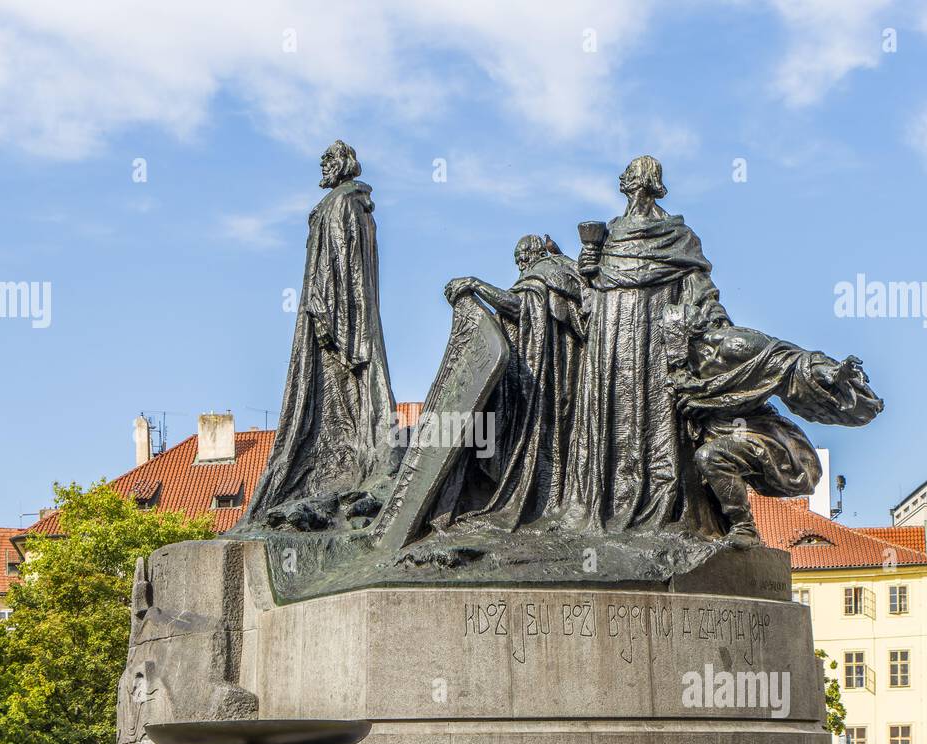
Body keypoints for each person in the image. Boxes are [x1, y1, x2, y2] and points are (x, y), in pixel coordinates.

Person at [567, 156, 727, 532]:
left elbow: (699, 287)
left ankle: (663, 503)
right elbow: (591, 293)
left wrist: (713, 322)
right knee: (611, 418)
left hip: (653, 341)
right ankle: (604, 505)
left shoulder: (678, 237)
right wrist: (589, 270)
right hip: (610, 341)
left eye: (635, 177)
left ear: (646, 184)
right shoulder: (611, 235)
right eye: (629, 177)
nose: (631, 183)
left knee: (658, 417)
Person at [246, 140, 396, 525]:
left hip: (332, 319)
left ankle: (336, 477)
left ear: (344, 163)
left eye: (329, 160)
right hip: (338, 316)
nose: (323, 166)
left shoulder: (342, 203)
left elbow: (342, 266)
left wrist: (327, 313)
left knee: (330, 400)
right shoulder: (349, 204)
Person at [668, 306, 883, 542]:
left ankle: (745, 528)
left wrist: (832, 373)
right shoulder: (681, 362)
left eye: (670, 334)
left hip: (753, 429)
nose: (668, 344)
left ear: (687, 330)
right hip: (715, 429)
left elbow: (792, 361)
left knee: (710, 457)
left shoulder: (733, 344)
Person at [431, 235, 588, 529]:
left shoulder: (541, 277)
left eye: (519, 260)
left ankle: (532, 507)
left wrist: (475, 284)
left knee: (534, 450)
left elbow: (520, 308)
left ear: (528, 256)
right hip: (558, 383)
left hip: (542, 382)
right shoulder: (564, 274)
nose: (519, 267)